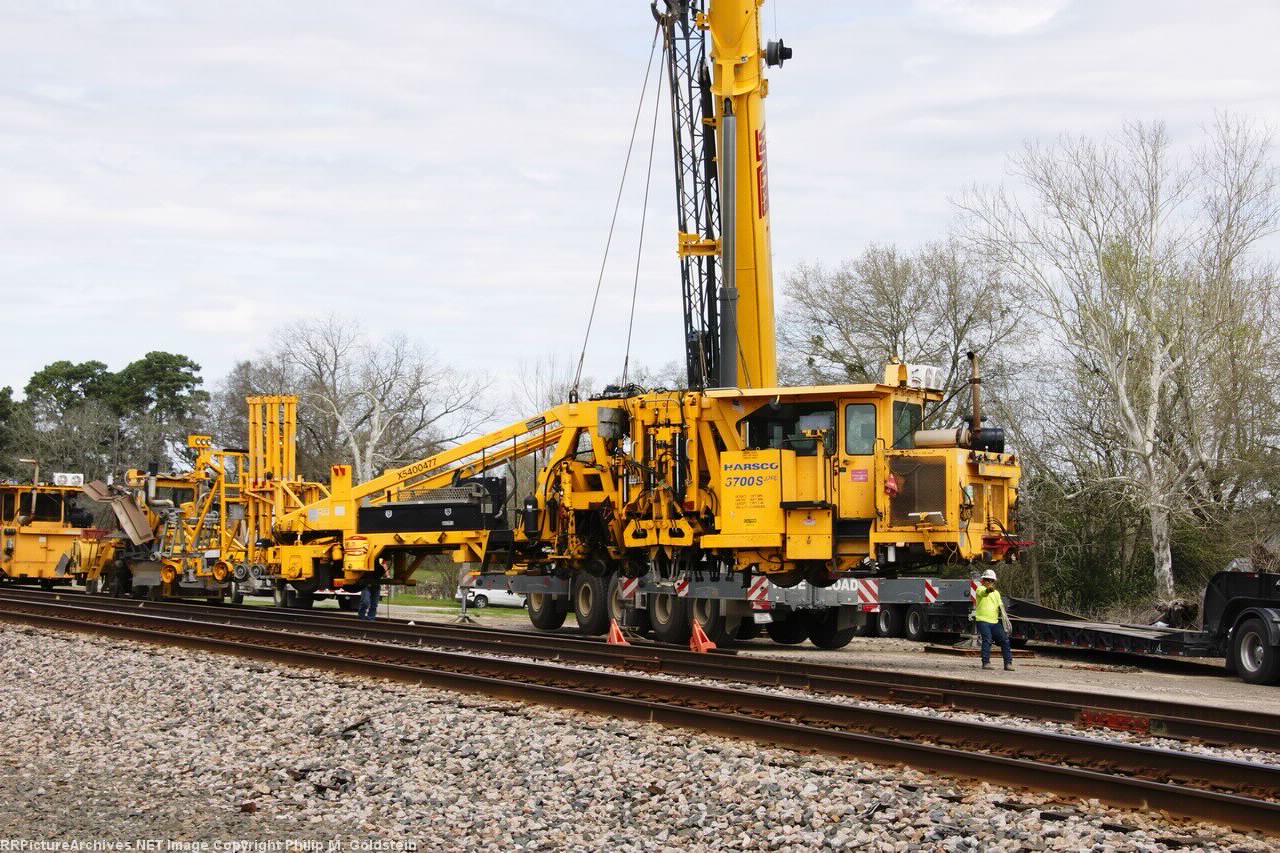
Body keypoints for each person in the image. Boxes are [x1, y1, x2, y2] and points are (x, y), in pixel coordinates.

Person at [974, 568, 1014, 671]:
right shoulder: (980, 589)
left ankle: (1008, 664)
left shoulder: (996, 593)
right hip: (983, 620)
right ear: (983, 580)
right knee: (987, 639)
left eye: (991, 580)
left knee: (1004, 640)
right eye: (987, 580)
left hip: (994, 622)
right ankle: (986, 663)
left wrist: (1004, 610)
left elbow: (1000, 606)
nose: (989, 582)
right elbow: (984, 593)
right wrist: (989, 590)